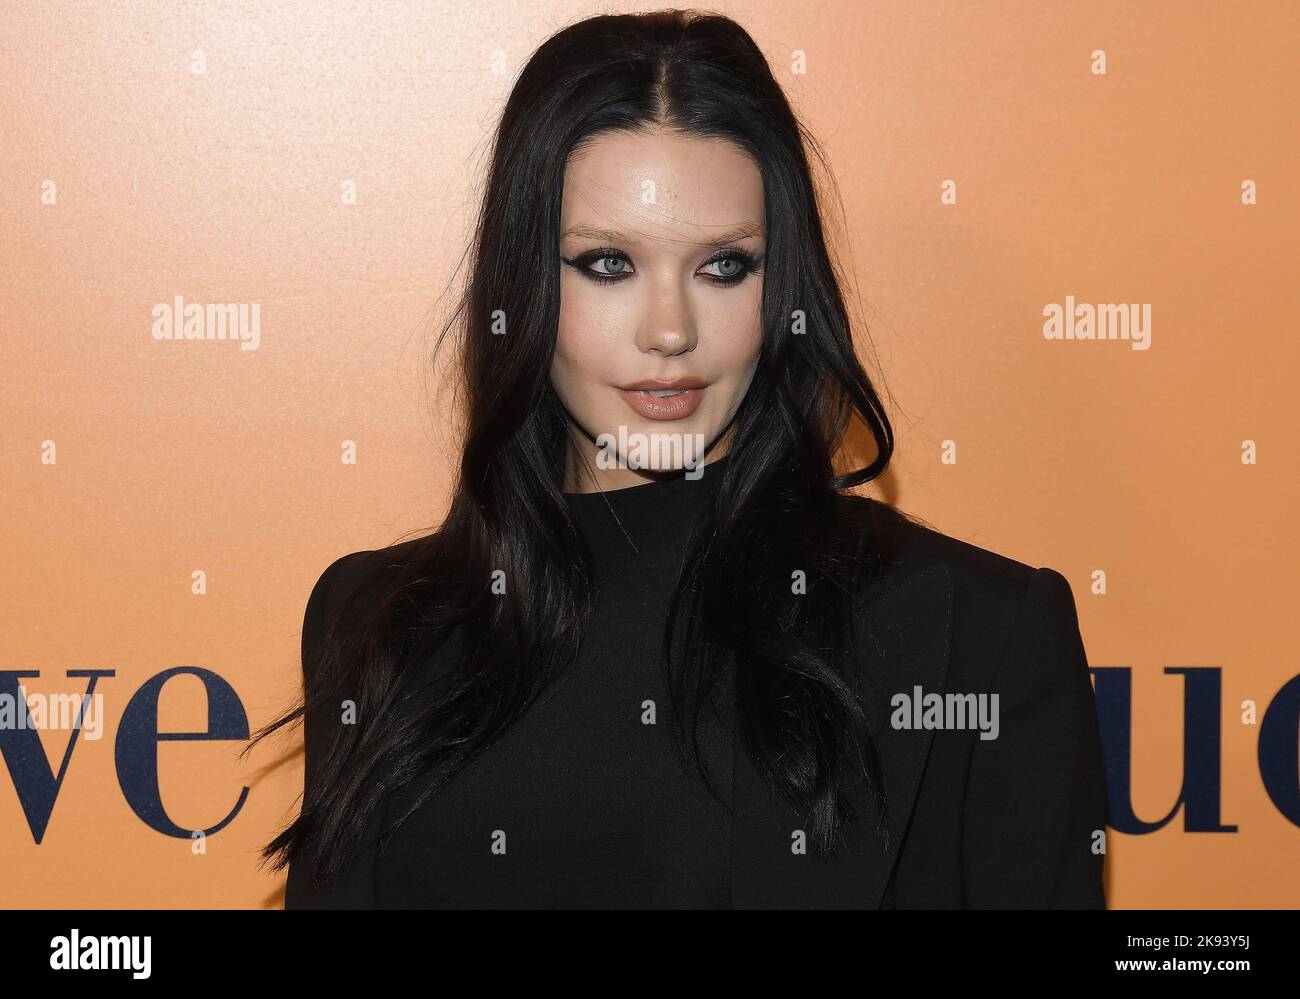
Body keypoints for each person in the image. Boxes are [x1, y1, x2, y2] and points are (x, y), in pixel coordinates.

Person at [251, 9, 1108, 909]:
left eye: (724, 267)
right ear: (525, 280)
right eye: (609, 264)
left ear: (785, 285)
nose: (671, 331)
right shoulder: (378, 625)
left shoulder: (978, 636)